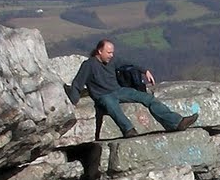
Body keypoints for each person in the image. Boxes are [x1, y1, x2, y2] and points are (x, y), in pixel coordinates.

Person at [65, 39, 198, 137]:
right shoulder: (88, 65)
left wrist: (144, 70)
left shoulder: (112, 61)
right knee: (112, 106)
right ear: (100, 51)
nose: (111, 55)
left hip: (118, 90)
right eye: (109, 52)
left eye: (112, 52)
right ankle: (129, 131)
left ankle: (176, 122)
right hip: (103, 95)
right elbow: (77, 84)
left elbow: (129, 63)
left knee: (147, 98)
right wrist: (73, 103)